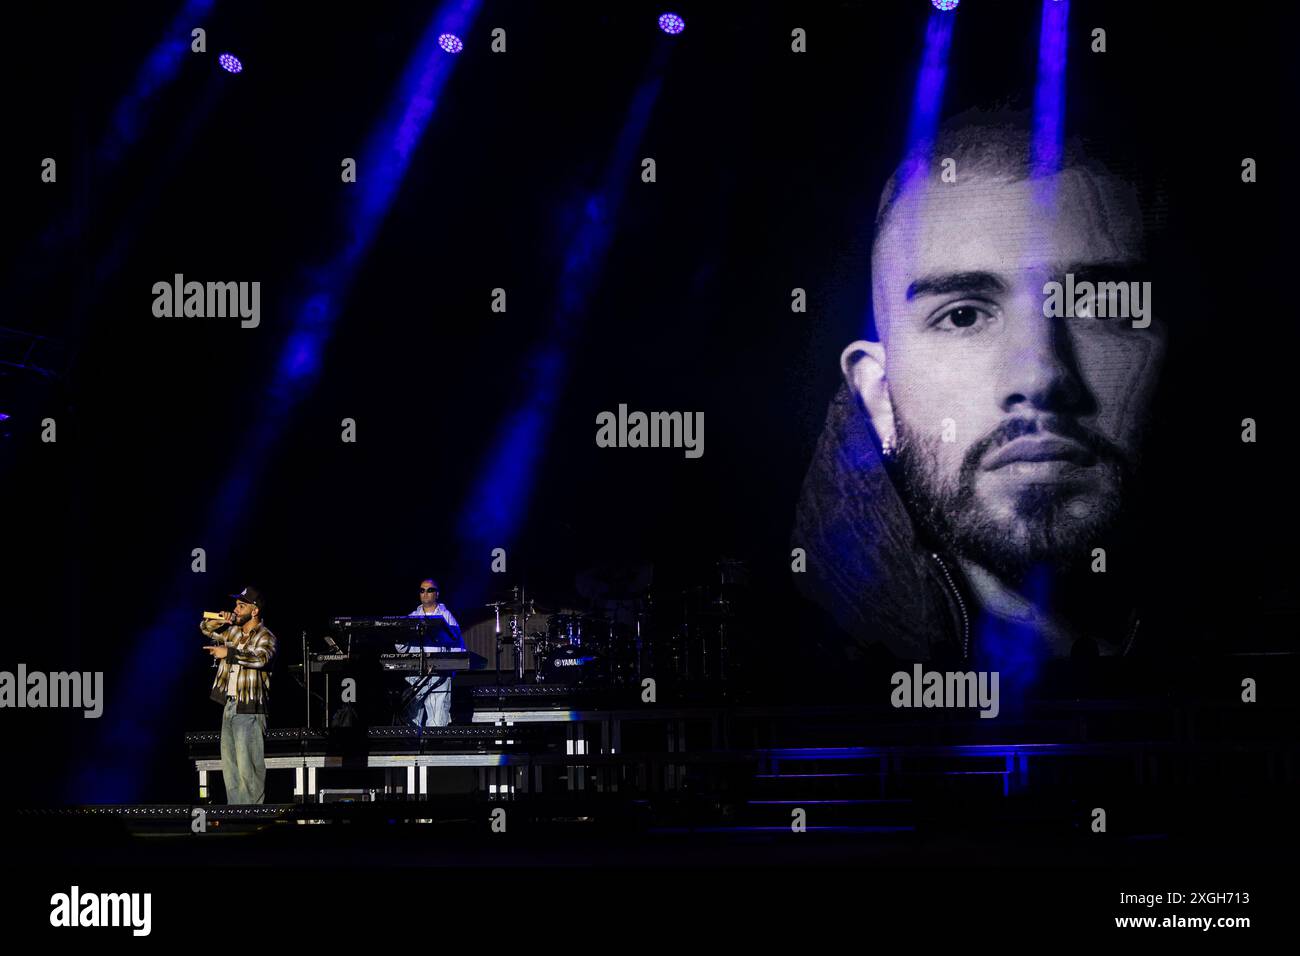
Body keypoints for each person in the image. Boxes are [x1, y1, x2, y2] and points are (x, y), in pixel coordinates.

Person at [794, 108, 1175, 670]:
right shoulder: (783, 665)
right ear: (878, 398)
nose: (1039, 377)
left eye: (1099, 305)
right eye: (964, 315)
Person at [199, 586, 277, 804]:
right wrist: (222, 620)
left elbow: (261, 659)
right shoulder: (232, 631)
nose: (236, 609)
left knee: (248, 771)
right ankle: (235, 819)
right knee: (231, 769)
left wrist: (230, 653)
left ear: (254, 611)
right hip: (230, 706)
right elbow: (205, 627)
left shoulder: (266, 636)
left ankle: (252, 820)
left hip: (250, 709)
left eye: (241, 606)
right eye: (236, 605)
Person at [398, 578, 462, 728]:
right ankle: (413, 749)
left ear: (437, 594)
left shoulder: (446, 616)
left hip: (439, 675)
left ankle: (434, 749)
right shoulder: (412, 617)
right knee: (411, 717)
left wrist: (450, 667)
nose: (425, 593)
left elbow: (457, 646)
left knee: (438, 719)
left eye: (430, 590)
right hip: (414, 674)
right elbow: (401, 648)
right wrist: (398, 635)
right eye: (422, 590)